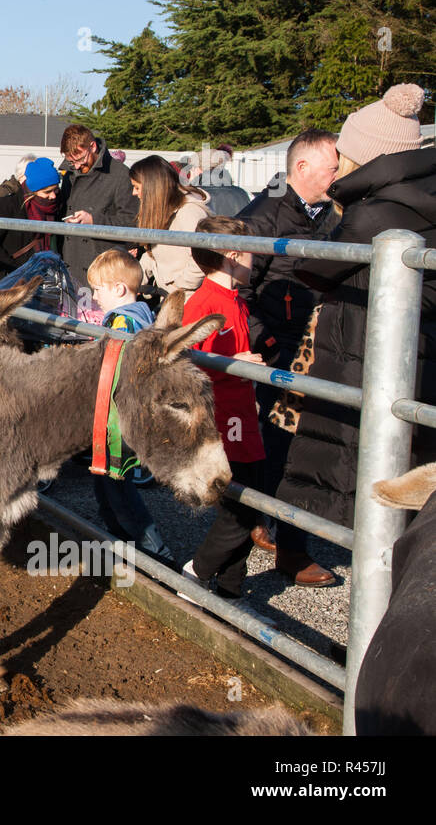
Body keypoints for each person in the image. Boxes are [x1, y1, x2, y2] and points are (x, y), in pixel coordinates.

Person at [277, 84, 435, 534]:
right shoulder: (420, 196)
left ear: (364, 156)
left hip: (363, 343)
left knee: (343, 453)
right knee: (410, 463)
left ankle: (355, 567)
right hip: (422, 347)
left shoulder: (371, 214)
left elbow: (316, 269)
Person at [237, 129, 341, 585]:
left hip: (314, 345)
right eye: (332, 167)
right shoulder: (263, 216)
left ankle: (264, 521)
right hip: (281, 353)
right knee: (287, 444)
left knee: (287, 444)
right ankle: (283, 544)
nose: (338, 174)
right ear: (302, 168)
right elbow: (239, 289)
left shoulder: (331, 214)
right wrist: (271, 346)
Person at [179, 216, 268, 601]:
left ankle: (231, 592)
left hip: (240, 412)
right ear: (232, 255)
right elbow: (190, 363)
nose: (255, 262)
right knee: (243, 504)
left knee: (245, 500)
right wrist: (237, 365)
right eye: (250, 254)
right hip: (224, 417)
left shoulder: (232, 301)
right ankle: (196, 572)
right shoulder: (205, 303)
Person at [86, 248, 177, 567]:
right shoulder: (141, 317)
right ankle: (117, 544)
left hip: (117, 421)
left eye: (98, 289)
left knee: (120, 492)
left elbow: (116, 368)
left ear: (118, 289)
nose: (94, 296)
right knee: (106, 484)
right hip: (114, 417)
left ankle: (160, 560)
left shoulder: (123, 324)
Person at [56, 124, 139, 292]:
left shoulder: (120, 175)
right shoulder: (70, 174)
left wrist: (94, 220)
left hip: (101, 270)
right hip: (70, 264)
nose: (77, 166)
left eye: (80, 159)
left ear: (92, 146)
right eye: (71, 162)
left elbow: (132, 223)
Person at [133, 155, 213, 294]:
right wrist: (135, 281)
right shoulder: (163, 211)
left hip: (189, 299)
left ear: (152, 187)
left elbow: (203, 259)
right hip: (172, 296)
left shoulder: (189, 212)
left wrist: (179, 287)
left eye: (136, 187)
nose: (133, 193)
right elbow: (154, 253)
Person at [0, 158, 63, 272]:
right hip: (15, 279)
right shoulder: (8, 206)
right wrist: (15, 270)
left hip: (48, 274)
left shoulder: (58, 205)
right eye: (47, 192)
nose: (53, 196)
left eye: (55, 190)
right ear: (33, 190)